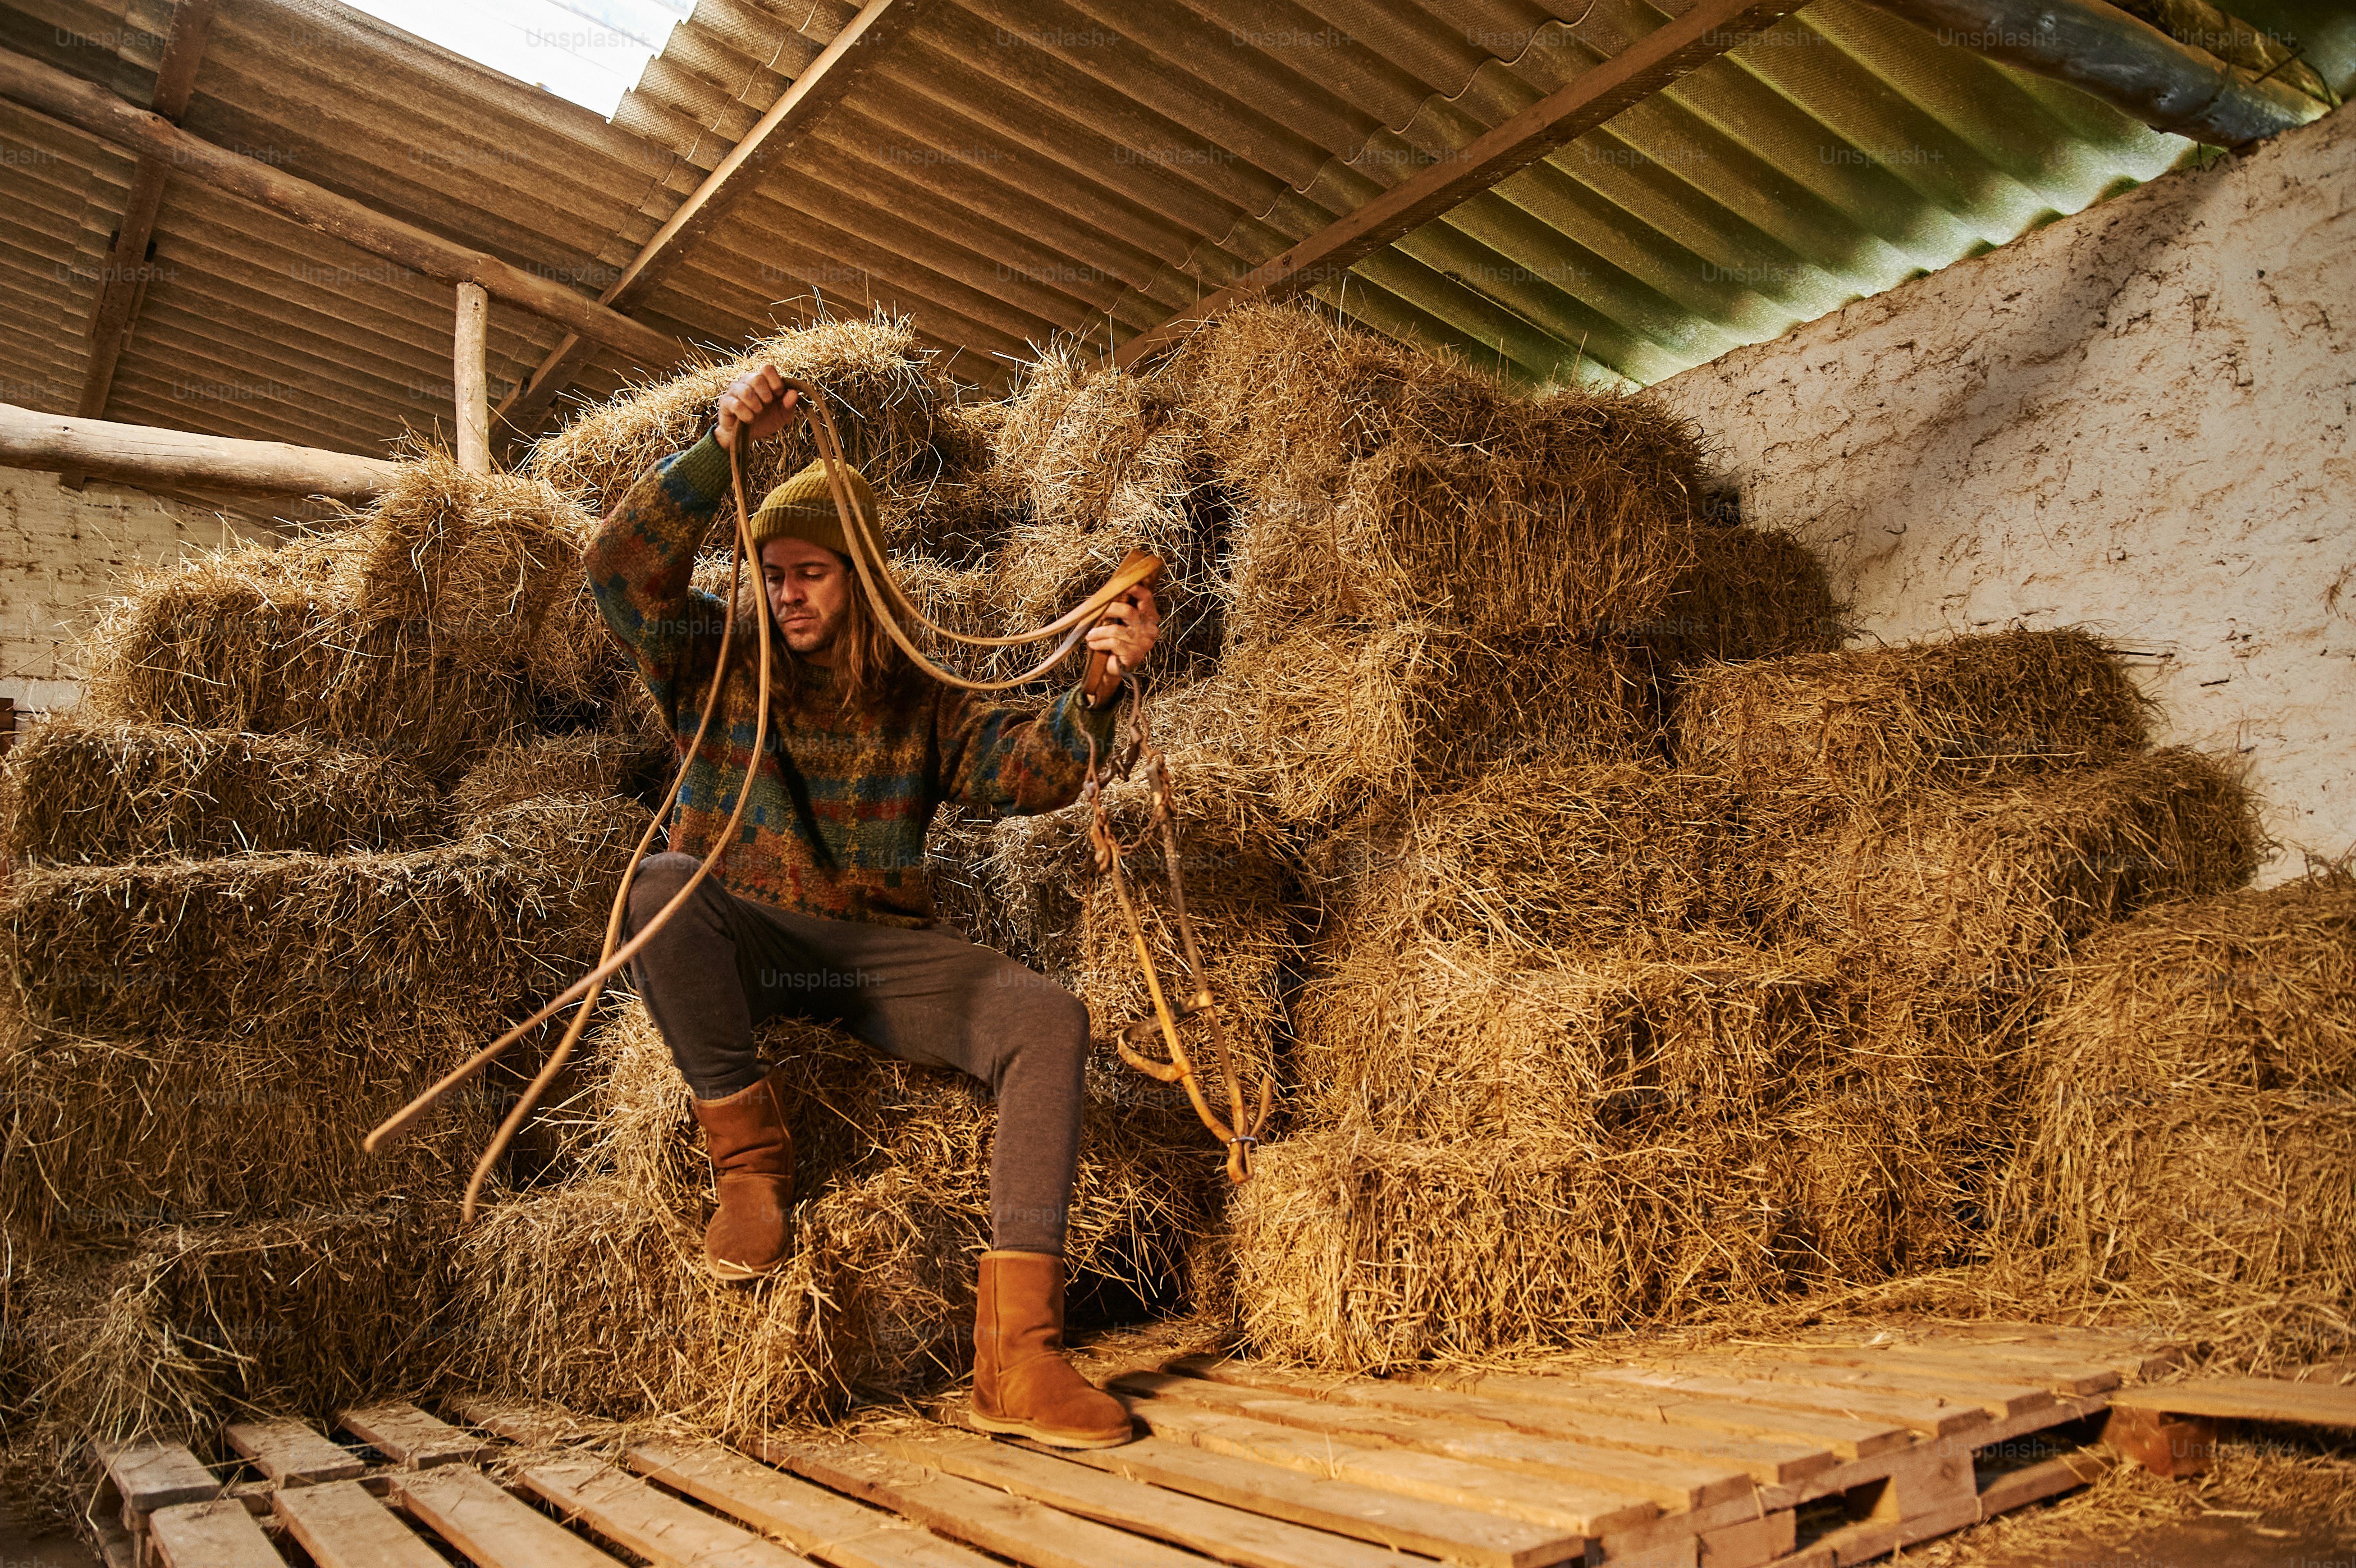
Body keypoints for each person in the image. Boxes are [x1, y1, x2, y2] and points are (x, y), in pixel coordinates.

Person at [581, 365, 1158, 1449]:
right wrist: (719, 453)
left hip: (878, 953)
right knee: (660, 884)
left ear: (859, 578)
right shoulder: (712, 654)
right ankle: (751, 1170)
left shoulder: (916, 692)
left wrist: (1097, 689)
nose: (787, 592)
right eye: (773, 573)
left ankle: (1019, 1355)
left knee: (1049, 1020)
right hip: (748, 931)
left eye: (810, 574)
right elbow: (617, 572)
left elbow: (1026, 769)